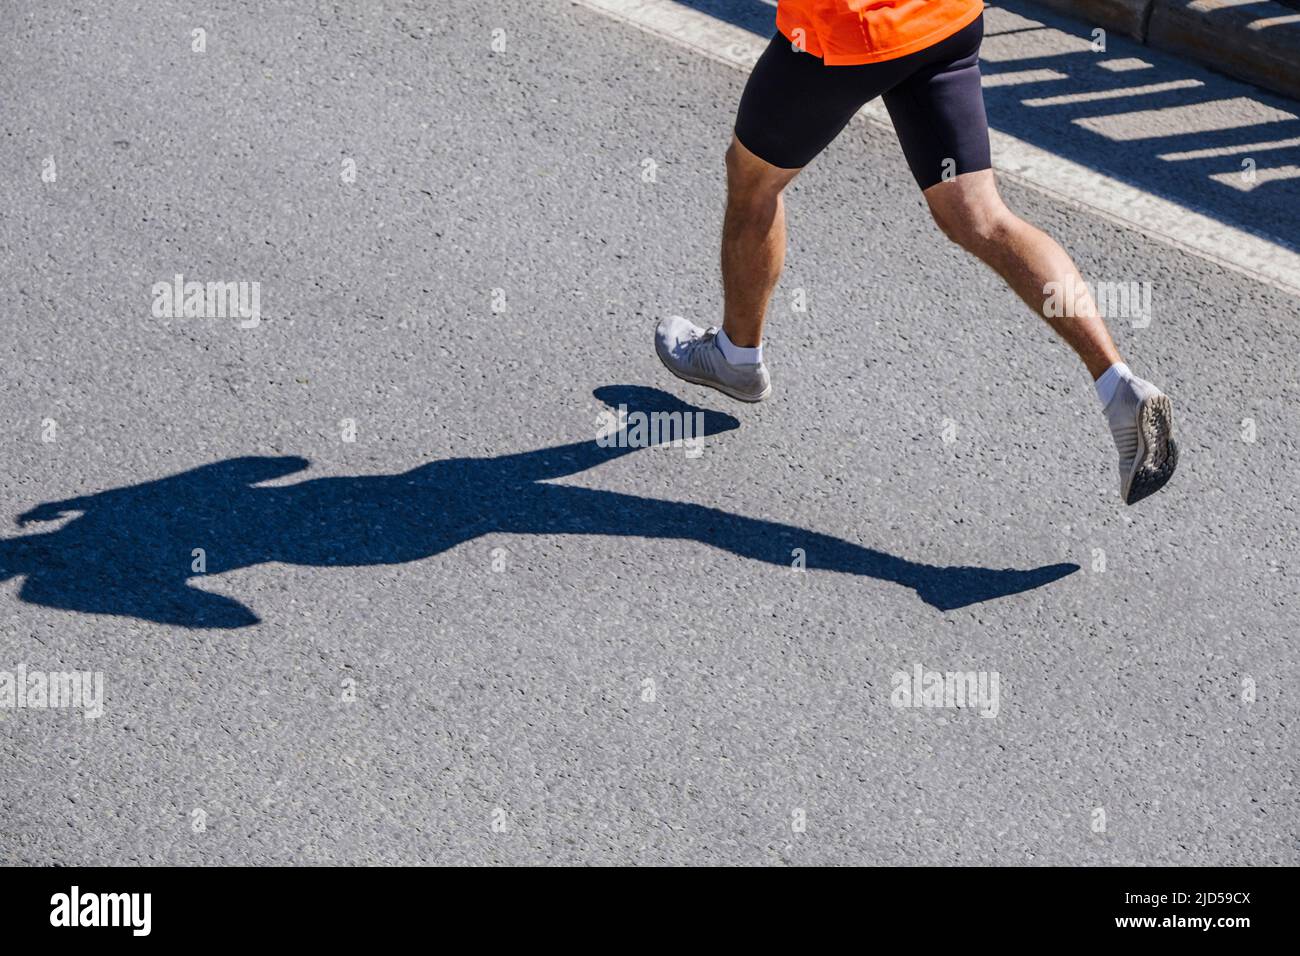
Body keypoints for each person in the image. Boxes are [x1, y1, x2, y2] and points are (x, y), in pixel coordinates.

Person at [655, 0, 1178, 505]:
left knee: (754, 179)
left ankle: (737, 357)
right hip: (943, 21)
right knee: (981, 217)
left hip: (845, 33)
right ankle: (1118, 385)